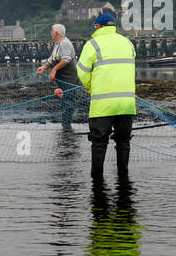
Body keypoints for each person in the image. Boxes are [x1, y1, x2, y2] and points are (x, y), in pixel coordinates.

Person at [76, 12, 137, 177]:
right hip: (126, 103)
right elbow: (130, 70)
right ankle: (123, 180)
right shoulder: (127, 43)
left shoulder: (92, 44)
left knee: (98, 143)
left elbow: (81, 72)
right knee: (123, 141)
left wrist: (91, 88)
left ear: (98, 26)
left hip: (102, 104)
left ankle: (97, 183)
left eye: (94, 25)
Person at [38, 23, 79, 128]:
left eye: (51, 31)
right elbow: (52, 59)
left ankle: (66, 127)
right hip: (62, 79)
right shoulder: (57, 44)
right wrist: (44, 66)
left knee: (68, 103)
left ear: (56, 32)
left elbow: (66, 59)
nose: (51, 33)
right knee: (64, 101)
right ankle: (65, 127)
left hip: (69, 79)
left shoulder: (65, 43)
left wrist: (54, 70)